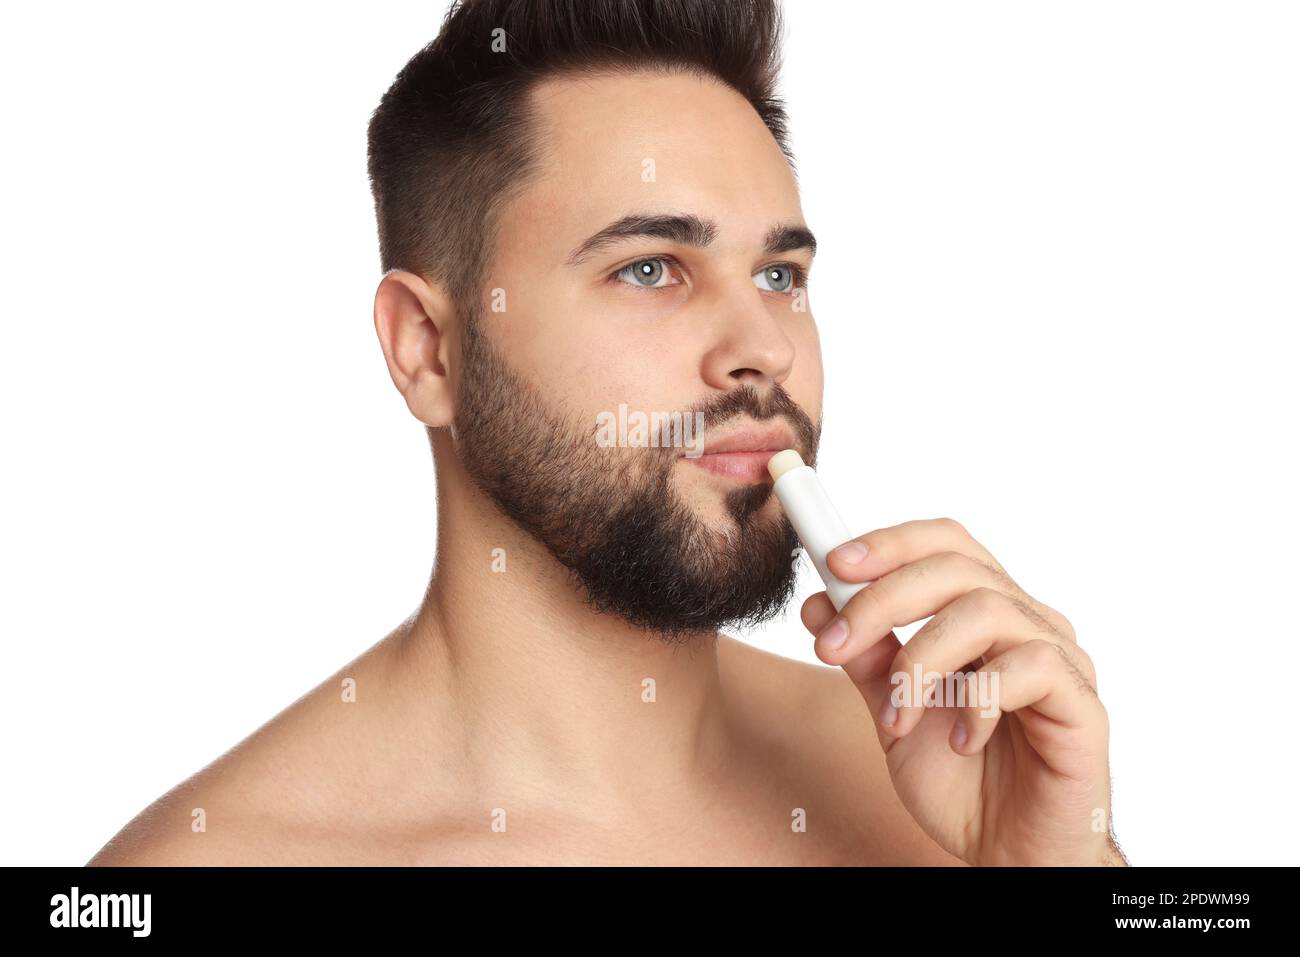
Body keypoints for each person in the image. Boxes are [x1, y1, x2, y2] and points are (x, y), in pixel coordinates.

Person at [89, 0, 1124, 866]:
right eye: (649, 269)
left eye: (779, 275)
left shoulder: (938, 771)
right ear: (427, 351)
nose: (759, 347)